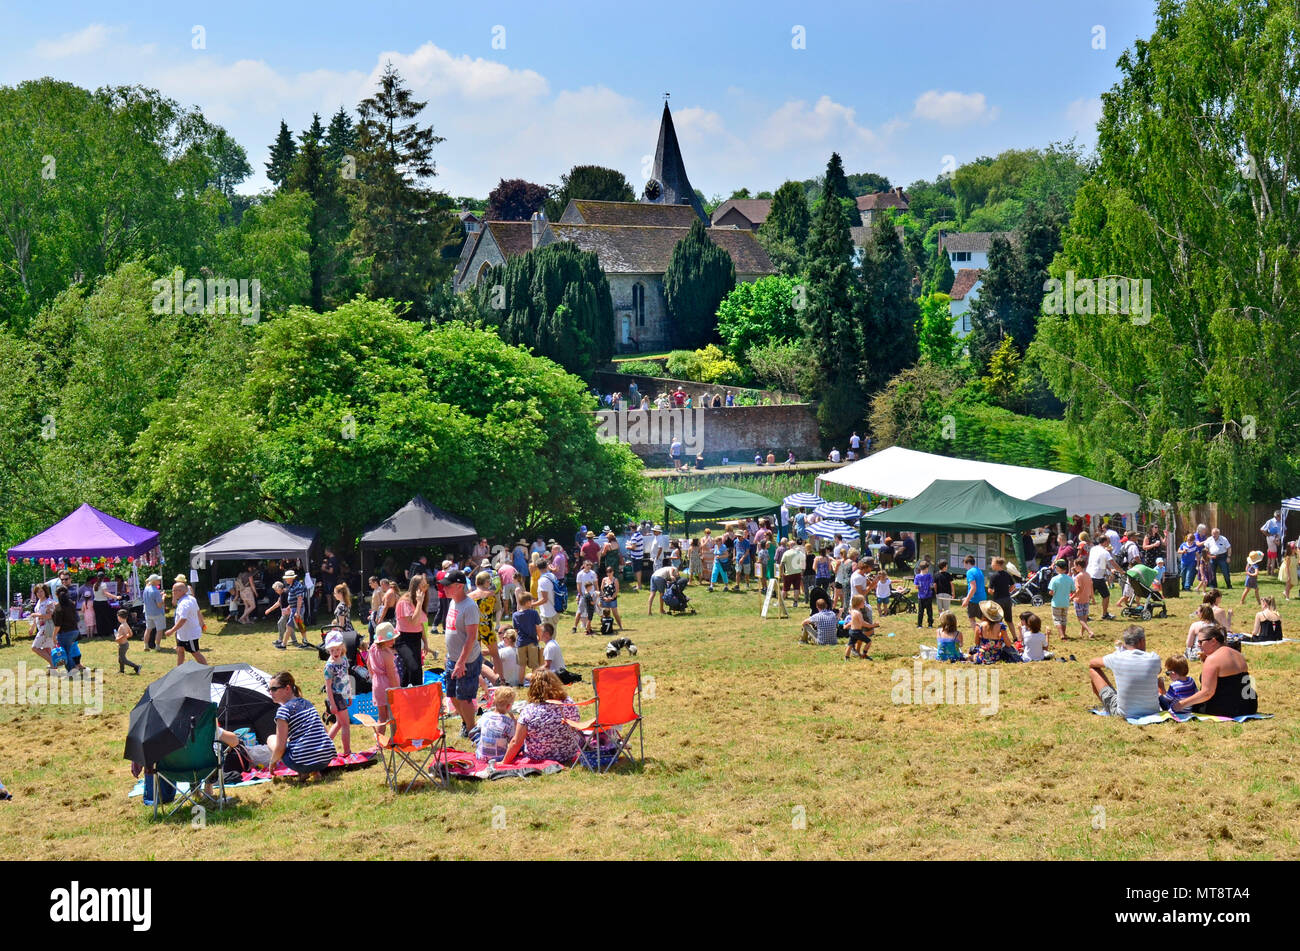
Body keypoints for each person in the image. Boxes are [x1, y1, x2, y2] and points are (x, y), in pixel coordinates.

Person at [1171, 625, 1258, 717]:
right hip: (1250, 706)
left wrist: (1181, 704)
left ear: (1213, 641)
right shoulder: (1237, 654)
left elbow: (1207, 693)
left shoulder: (1213, 659)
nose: (1198, 645)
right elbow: (1234, 682)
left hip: (1228, 710)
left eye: (1201, 642)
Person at [499, 671, 582, 766]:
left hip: (538, 756)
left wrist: (504, 762)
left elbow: (516, 742)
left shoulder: (530, 710)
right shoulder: (569, 702)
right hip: (568, 754)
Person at [266, 672, 337, 775]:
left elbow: (280, 746)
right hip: (326, 758)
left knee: (271, 738)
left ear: (287, 688)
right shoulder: (307, 703)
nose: (270, 693)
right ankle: (314, 771)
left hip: (302, 763)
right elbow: (325, 731)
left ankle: (305, 770)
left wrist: (272, 762)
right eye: (269, 689)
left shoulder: (283, 711)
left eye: (274, 689)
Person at [1087, 625, 1162, 719]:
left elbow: (1092, 663)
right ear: (1142, 641)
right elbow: (1158, 671)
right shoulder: (1154, 658)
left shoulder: (1117, 657)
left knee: (1093, 670)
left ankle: (1106, 706)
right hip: (1152, 711)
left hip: (1124, 714)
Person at [394, 577, 429, 688]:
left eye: (426, 586)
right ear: (416, 586)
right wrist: (419, 603)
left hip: (416, 638)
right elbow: (414, 622)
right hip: (404, 639)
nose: (425, 589)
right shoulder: (405, 602)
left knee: (416, 671)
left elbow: (420, 624)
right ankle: (408, 693)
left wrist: (425, 642)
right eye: (423, 586)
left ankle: (414, 695)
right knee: (413, 668)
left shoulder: (419, 600)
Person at [323, 632, 353, 757]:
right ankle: (347, 752)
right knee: (345, 724)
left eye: (338, 649)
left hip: (343, 695)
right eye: (332, 650)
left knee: (340, 723)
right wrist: (332, 704)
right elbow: (328, 687)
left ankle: (324, 746)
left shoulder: (344, 659)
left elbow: (346, 677)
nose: (335, 652)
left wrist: (349, 694)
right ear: (328, 650)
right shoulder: (329, 666)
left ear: (342, 647)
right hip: (335, 697)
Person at [164, 581, 206, 666]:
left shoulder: (185, 603)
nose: (173, 593)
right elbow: (198, 611)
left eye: (173, 590)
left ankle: (207, 671)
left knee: (195, 652)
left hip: (189, 634)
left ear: (180, 591)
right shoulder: (190, 599)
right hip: (182, 633)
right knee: (180, 650)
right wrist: (202, 623)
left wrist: (172, 630)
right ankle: (179, 669)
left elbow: (183, 619)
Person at [476, 687, 518, 762]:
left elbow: (477, 727)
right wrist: (515, 724)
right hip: (499, 758)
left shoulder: (485, 715)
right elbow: (513, 740)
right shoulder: (509, 723)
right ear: (508, 706)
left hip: (481, 757)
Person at [1087, 536, 1120, 620]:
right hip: (1097, 577)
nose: (1109, 543)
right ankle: (1105, 614)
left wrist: (1110, 569)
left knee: (1088, 597)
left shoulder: (1094, 549)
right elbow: (1113, 562)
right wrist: (1121, 571)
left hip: (1089, 575)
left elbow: (1101, 563)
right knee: (1106, 595)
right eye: (1108, 541)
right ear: (1104, 542)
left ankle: (1085, 615)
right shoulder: (1105, 552)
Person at [959, 555, 987, 636]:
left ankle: (978, 636)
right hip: (983, 597)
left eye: (964, 564)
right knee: (983, 619)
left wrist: (967, 600)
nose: (964, 566)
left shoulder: (969, 572)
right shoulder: (979, 570)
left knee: (972, 619)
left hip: (974, 599)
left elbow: (973, 588)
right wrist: (967, 597)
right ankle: (985, 635)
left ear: (967, 563)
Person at [843, 594, 877, 659]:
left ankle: (846, 657)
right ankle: (864, 654)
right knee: (869, 642)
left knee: (850, 645)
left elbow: (850, 612)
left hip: (852, 631)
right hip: (857, 632)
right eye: (863, 602)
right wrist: (872, 625)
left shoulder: (852, 611)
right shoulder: (858, 613)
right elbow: (862, 623)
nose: (864, 603)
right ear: (858, 603)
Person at [114, 608, 141, 674]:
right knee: (120, 659)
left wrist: (117, 639)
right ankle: (121, 670)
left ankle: (136, 666)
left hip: (123, 645)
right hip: (125, 644)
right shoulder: (126, 624)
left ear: (119, 617)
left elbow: (121, 636)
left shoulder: (121, 626)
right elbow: (131, 633)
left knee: (123, 659)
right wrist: (126, 636)